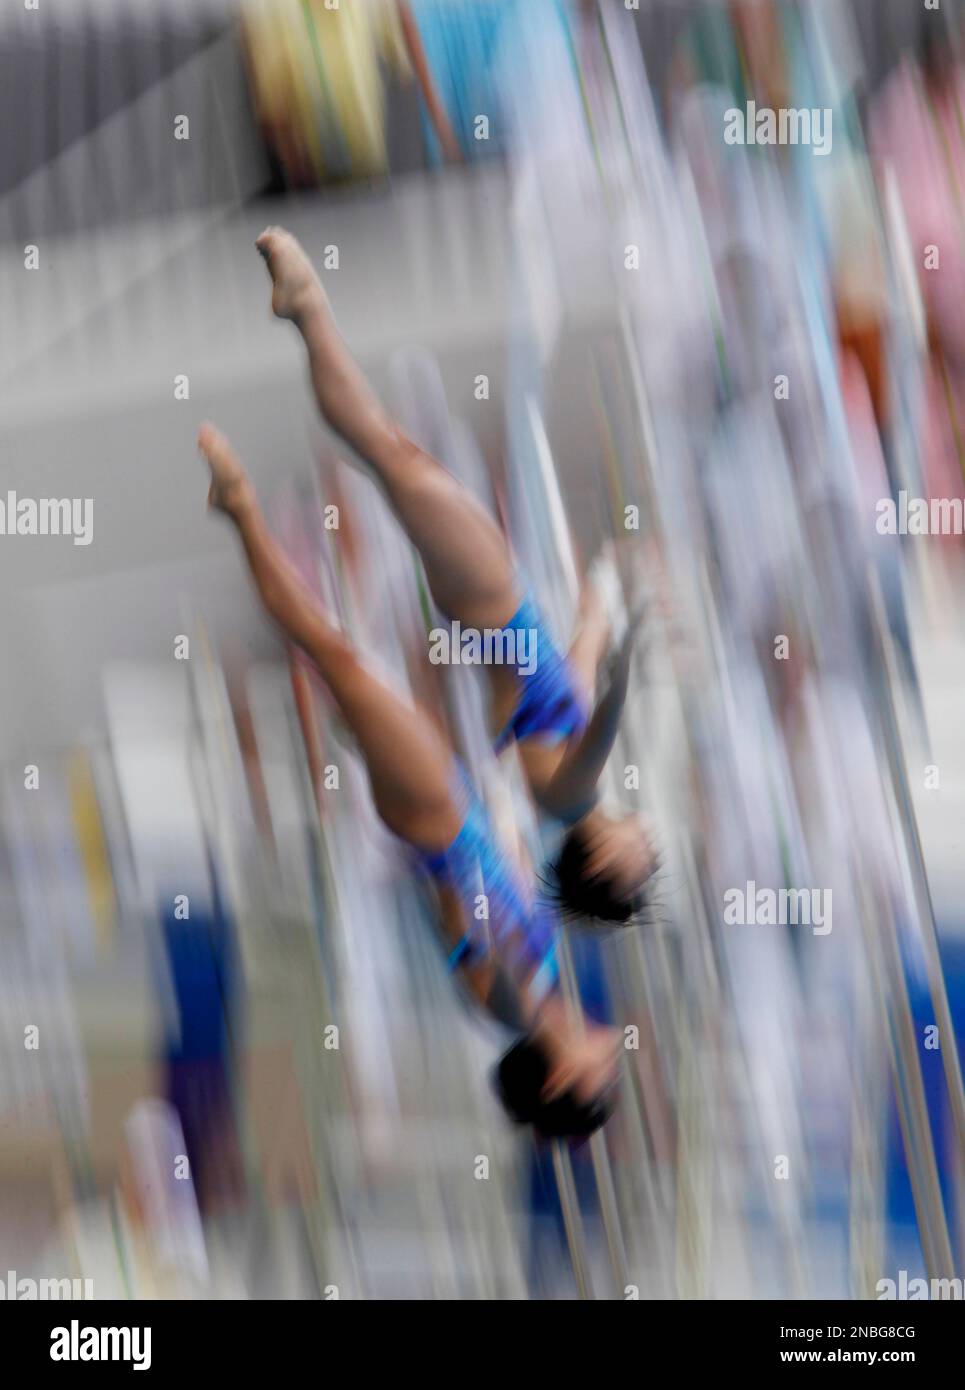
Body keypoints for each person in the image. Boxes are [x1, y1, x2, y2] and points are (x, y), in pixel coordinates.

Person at [197, 423, 619, 1138]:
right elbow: (504, 888)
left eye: (599, 1071)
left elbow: (455, 926)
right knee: (349, 655)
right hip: (454, 813)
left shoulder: (507, 1009)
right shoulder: (543, 983)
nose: (609, 1047)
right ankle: (281, 507)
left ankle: (238, 509)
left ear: (561, 1076)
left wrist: (462, 868)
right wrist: (502, 836)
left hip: (439, 825)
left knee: (335, 654)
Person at [253, 225, 657, 924]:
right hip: (496, 595)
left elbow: (595, 732)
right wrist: (609, 585)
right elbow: (583, 651)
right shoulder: (570, 757)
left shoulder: (562, 797)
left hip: (485, 603)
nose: (650, 853)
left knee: (386, 451)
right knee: (390, 453)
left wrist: (625, 671)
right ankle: (306, 310)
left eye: (637, 872)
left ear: (598, 865)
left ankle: (306, 307)